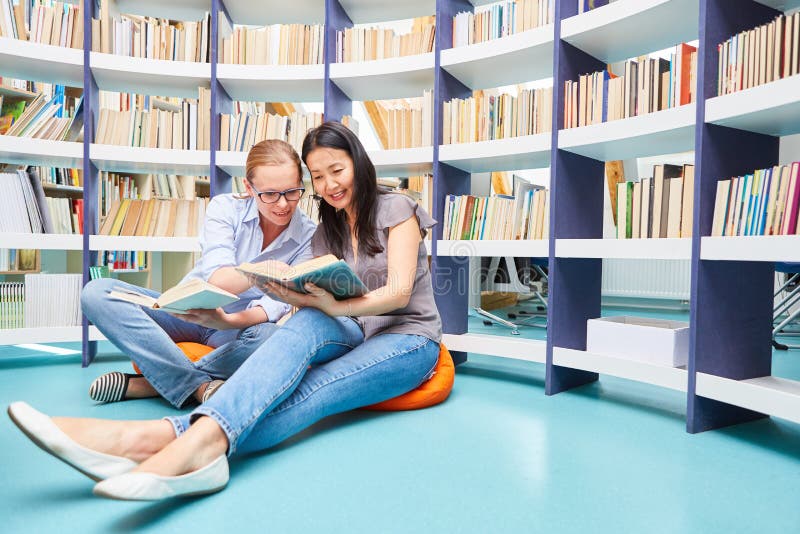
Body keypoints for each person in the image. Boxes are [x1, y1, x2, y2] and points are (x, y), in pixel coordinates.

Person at [7, 121, 442, 500]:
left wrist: (319, 303)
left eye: (337, 170)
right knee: (305, 322)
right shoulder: (325, 230)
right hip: (345, 327)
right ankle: (190, 430)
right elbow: (251, 284)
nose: (328, 185)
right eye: (318, 177)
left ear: (358, 163)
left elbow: (399, 293)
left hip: (404, 337)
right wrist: (306, 300)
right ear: (250, 188)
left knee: (312, 387)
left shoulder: (395, 207)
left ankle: (158, 439)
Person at [81, 139, 317, 407]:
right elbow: (219, 280)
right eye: (270, 194)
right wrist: (263, 271)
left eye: (292, 192)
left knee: (273, 339)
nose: (283, 204)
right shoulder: (225, 208)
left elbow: (276, 304)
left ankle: (153, 384)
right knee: (97, 293)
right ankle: (199, 385)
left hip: (238, 327)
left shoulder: (309, 236)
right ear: (249, 187)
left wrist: (227, 322)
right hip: (187, 312)